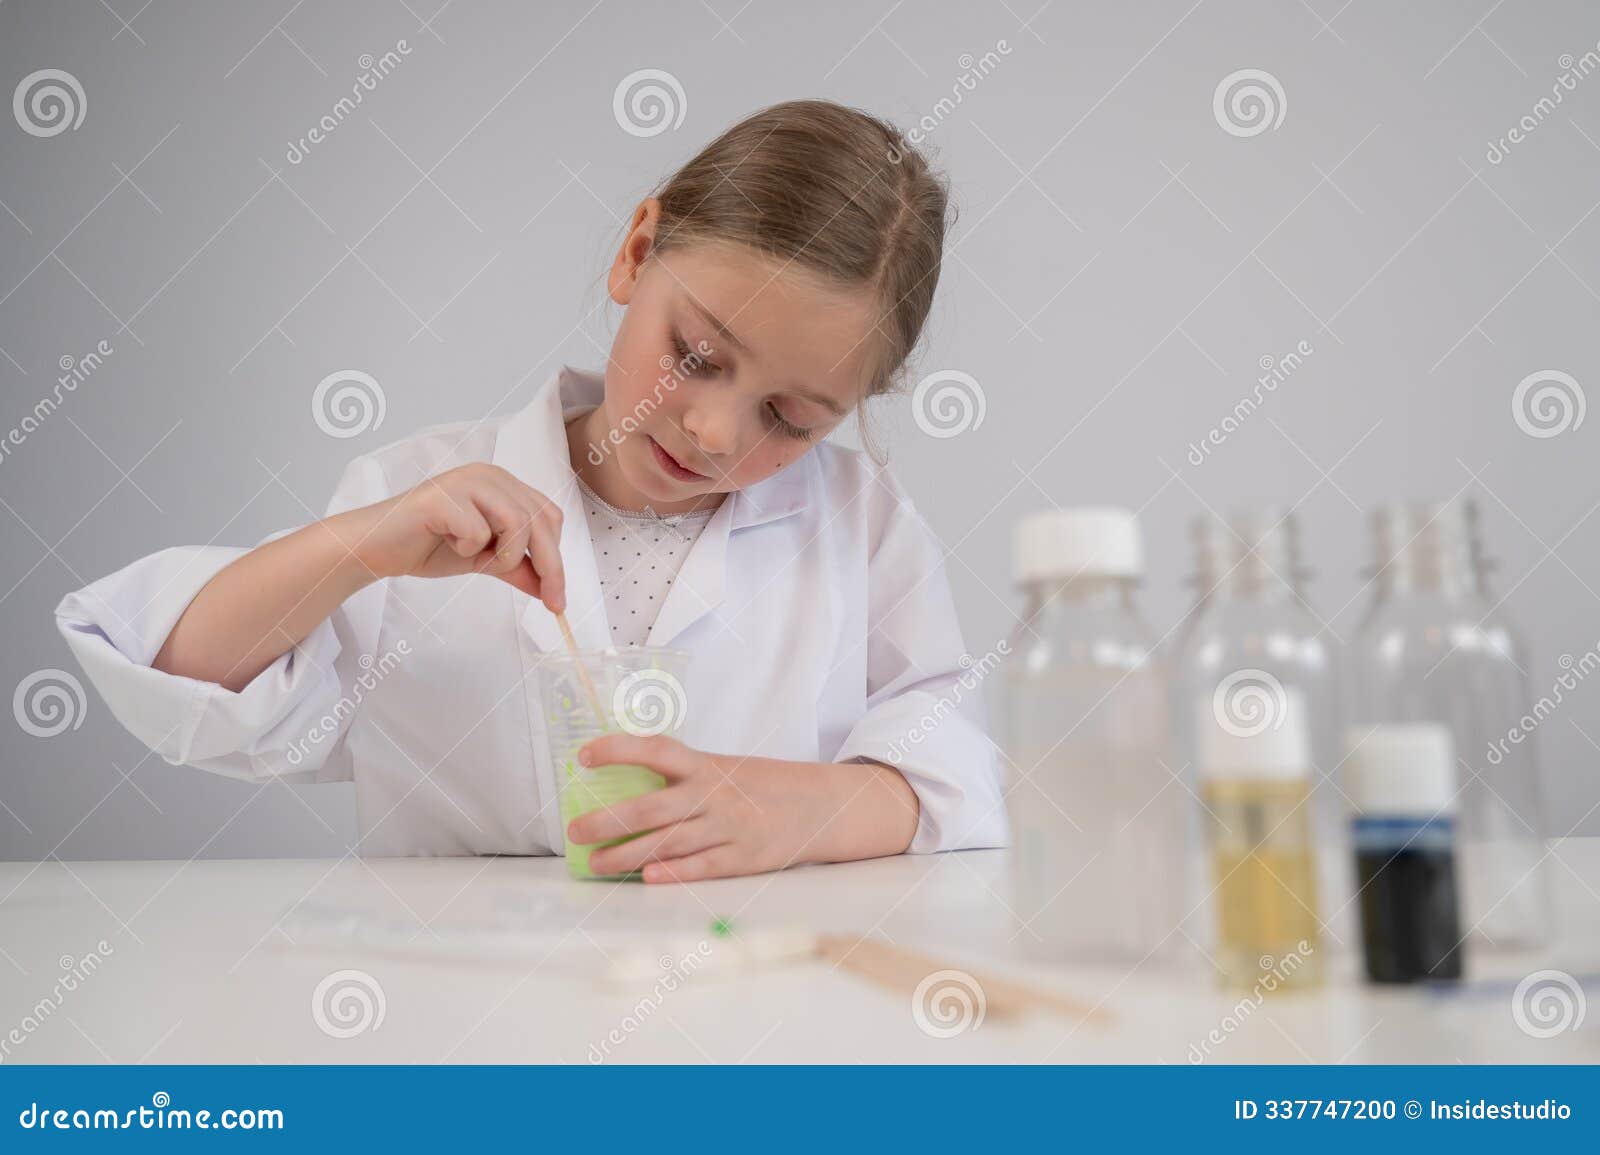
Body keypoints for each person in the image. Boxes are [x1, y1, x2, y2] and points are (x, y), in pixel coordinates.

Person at [55, 99, 1008, 881]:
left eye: (791, 419)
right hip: (462, 1018)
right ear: (639, 249)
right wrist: (358, 548)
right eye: (697, 355)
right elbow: (185, 682)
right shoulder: (410, 493)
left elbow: (950, 764)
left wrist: (808, 808)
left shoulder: (860, 525)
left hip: (745, 1013)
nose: (715, 433)